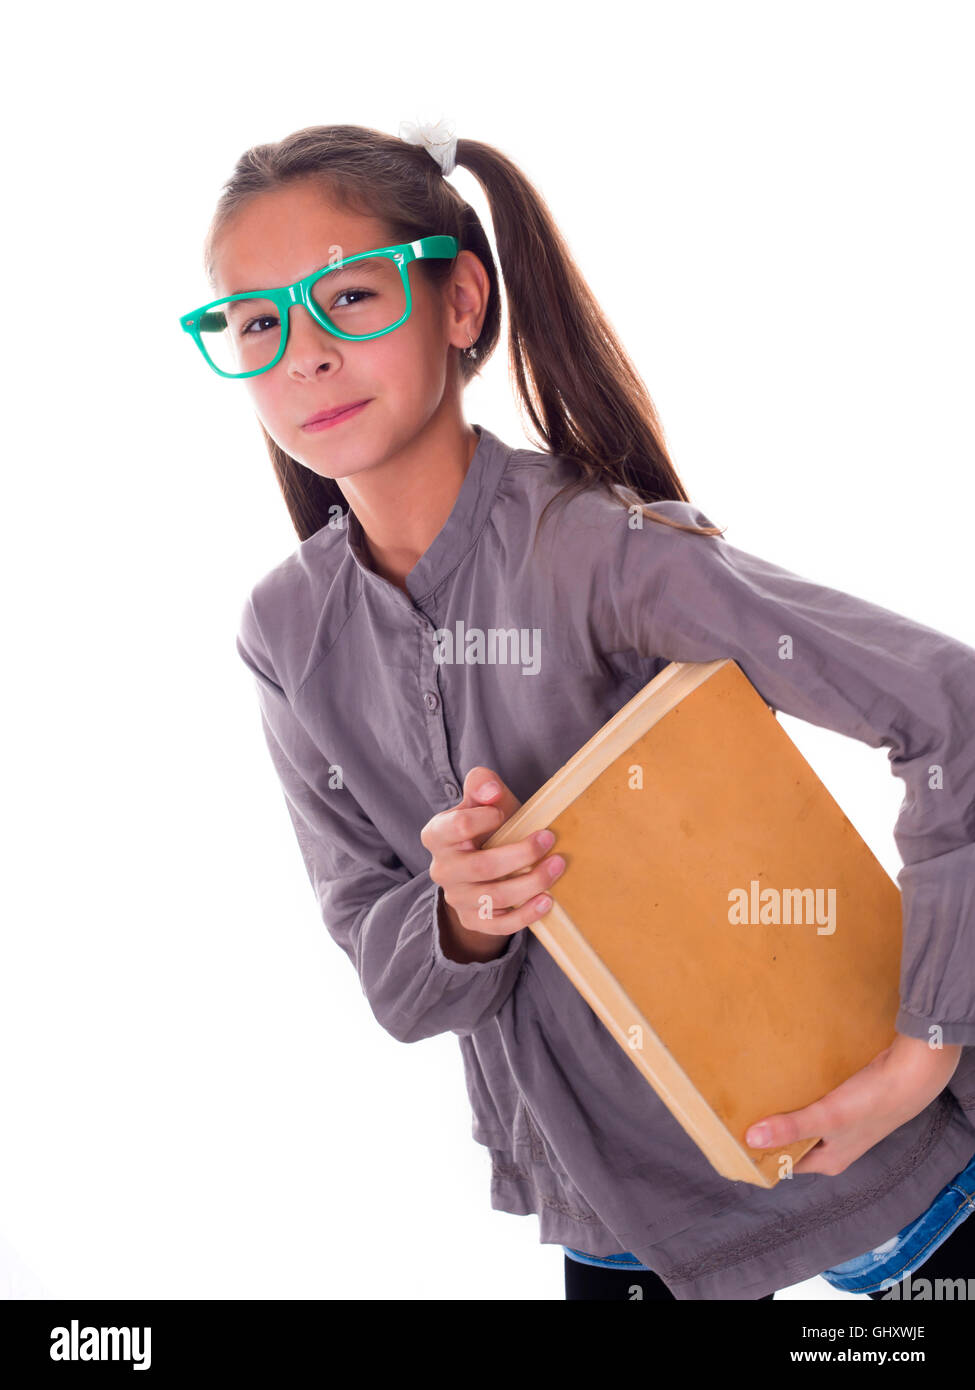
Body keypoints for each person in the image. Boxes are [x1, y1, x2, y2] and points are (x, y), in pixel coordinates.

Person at [179, 118, 975, 1300]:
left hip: (868, 1187)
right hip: (614, 1216)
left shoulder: (596, 552)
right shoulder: (288, 632)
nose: (302, 354)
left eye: (348, 295)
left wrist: (927, 1047)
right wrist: (461, 916)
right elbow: (393, 983)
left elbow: (949, 710)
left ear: (459, 303)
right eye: (255, 322)